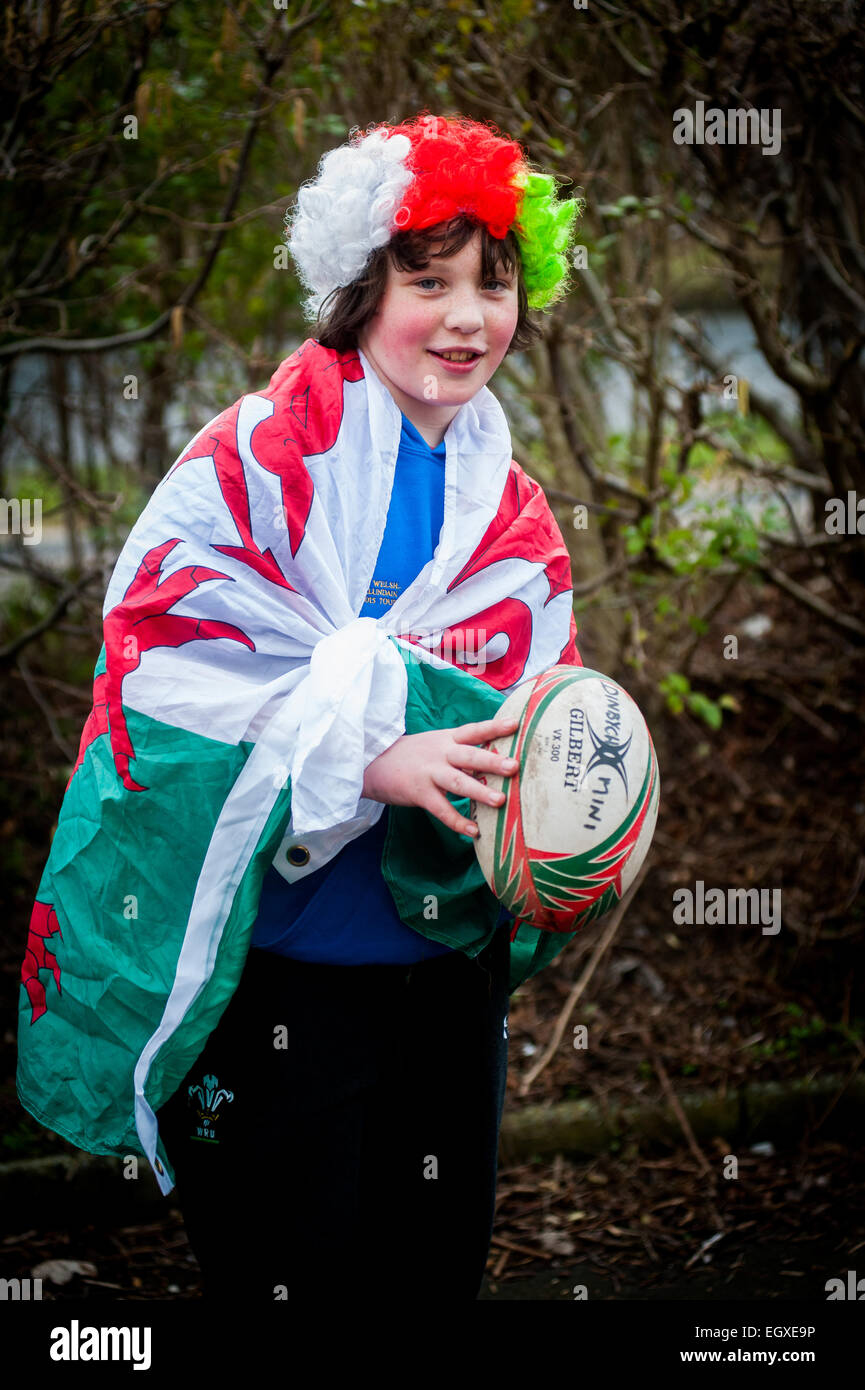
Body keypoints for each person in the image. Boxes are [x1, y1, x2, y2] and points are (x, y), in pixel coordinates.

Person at [17, 111, 584, 1302]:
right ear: (359, 290)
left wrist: (585, 817)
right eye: (427, 281)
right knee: (287, 1265)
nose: (467, 316)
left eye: (494, 283)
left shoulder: (515, 515)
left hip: (442, 964)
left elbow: (541, 703)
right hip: (283, 964)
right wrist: (374, 756)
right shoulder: (257, 461)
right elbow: (167, 663)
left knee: (427, 1267)